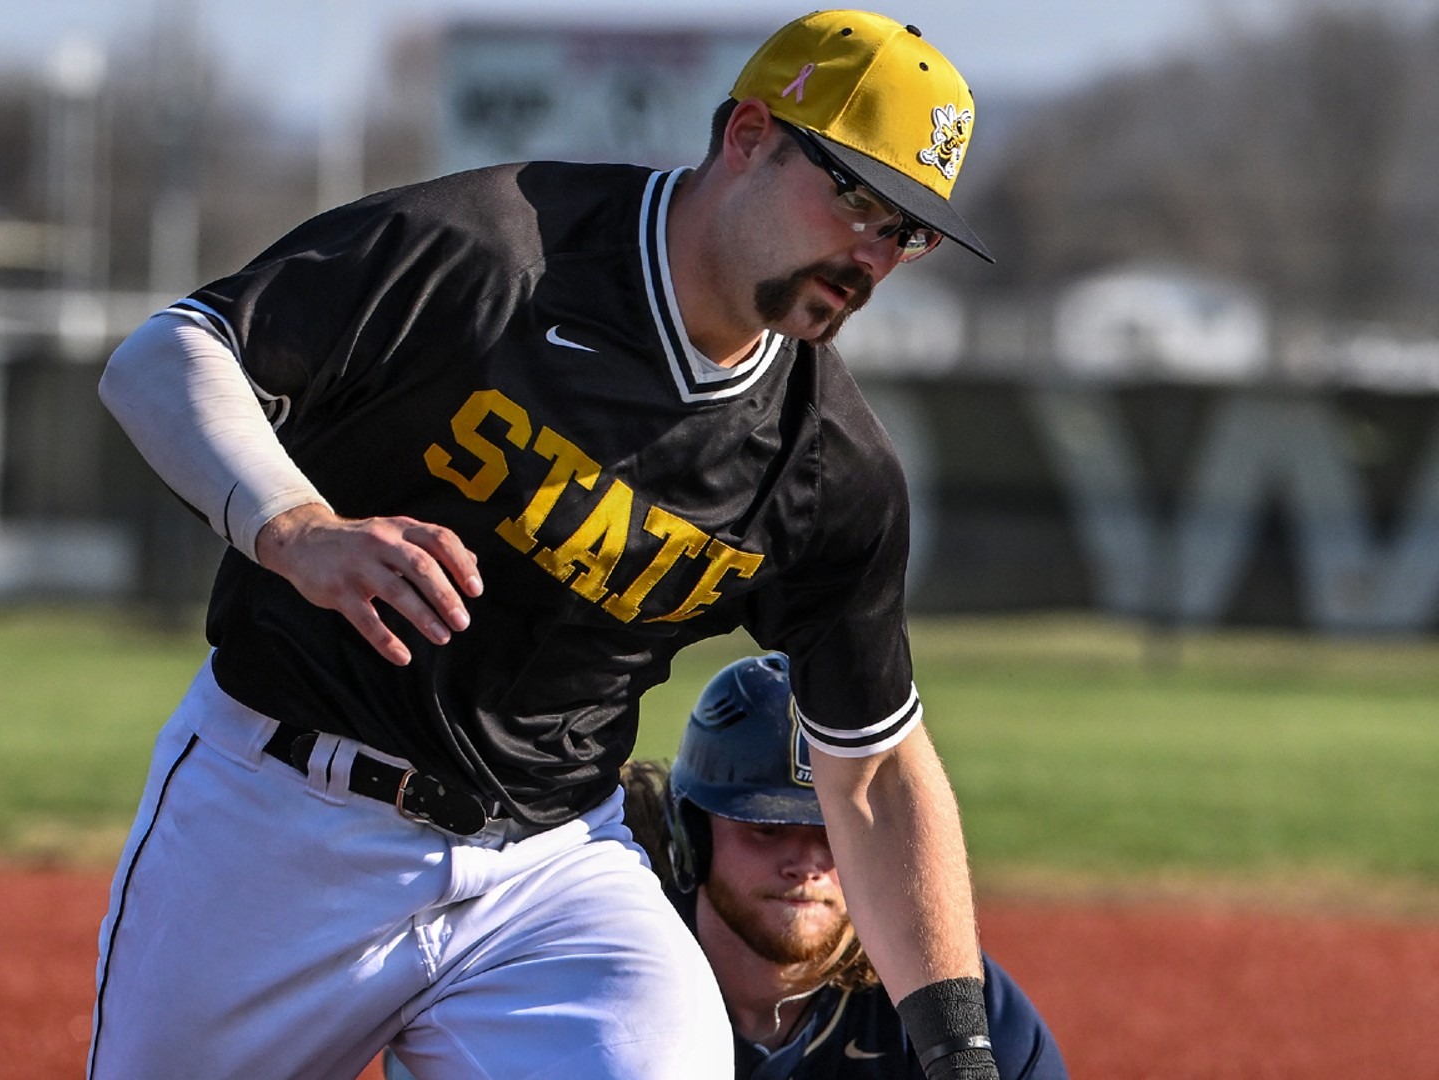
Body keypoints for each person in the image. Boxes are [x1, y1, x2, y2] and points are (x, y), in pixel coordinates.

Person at [92, 10, 1002, 1079]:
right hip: (280, 820)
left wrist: (963, 1057)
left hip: (550, 871)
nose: (875, 251)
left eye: (909, 229)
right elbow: (165, 355)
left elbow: (877, 769)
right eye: (855, 193)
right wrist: (296, 528)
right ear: (749, 134)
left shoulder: (828, 467)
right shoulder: (495, 253)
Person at [625, 653, 1068, 1080]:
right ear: (693, 836)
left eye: (837, 835)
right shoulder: (619, 970)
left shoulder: (960, 1016)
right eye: (767, 829)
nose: (807, 865)